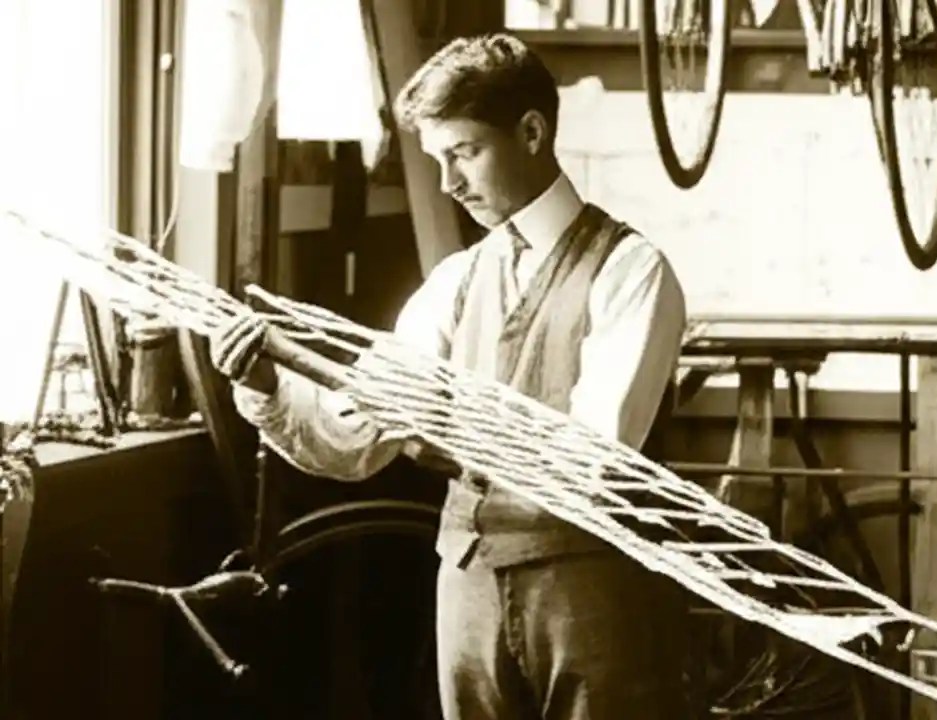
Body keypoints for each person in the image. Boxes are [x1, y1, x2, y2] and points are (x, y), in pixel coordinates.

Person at [211, 32, 695, 720]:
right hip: (468, 584)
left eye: (464, 152)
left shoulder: (630, 272)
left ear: (531, 132)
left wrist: (452, 430)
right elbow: (354, 438)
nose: (449, 183)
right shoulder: (457, 283)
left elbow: (595, 458)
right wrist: (265, 385)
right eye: (438, 160)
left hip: (589, 587)